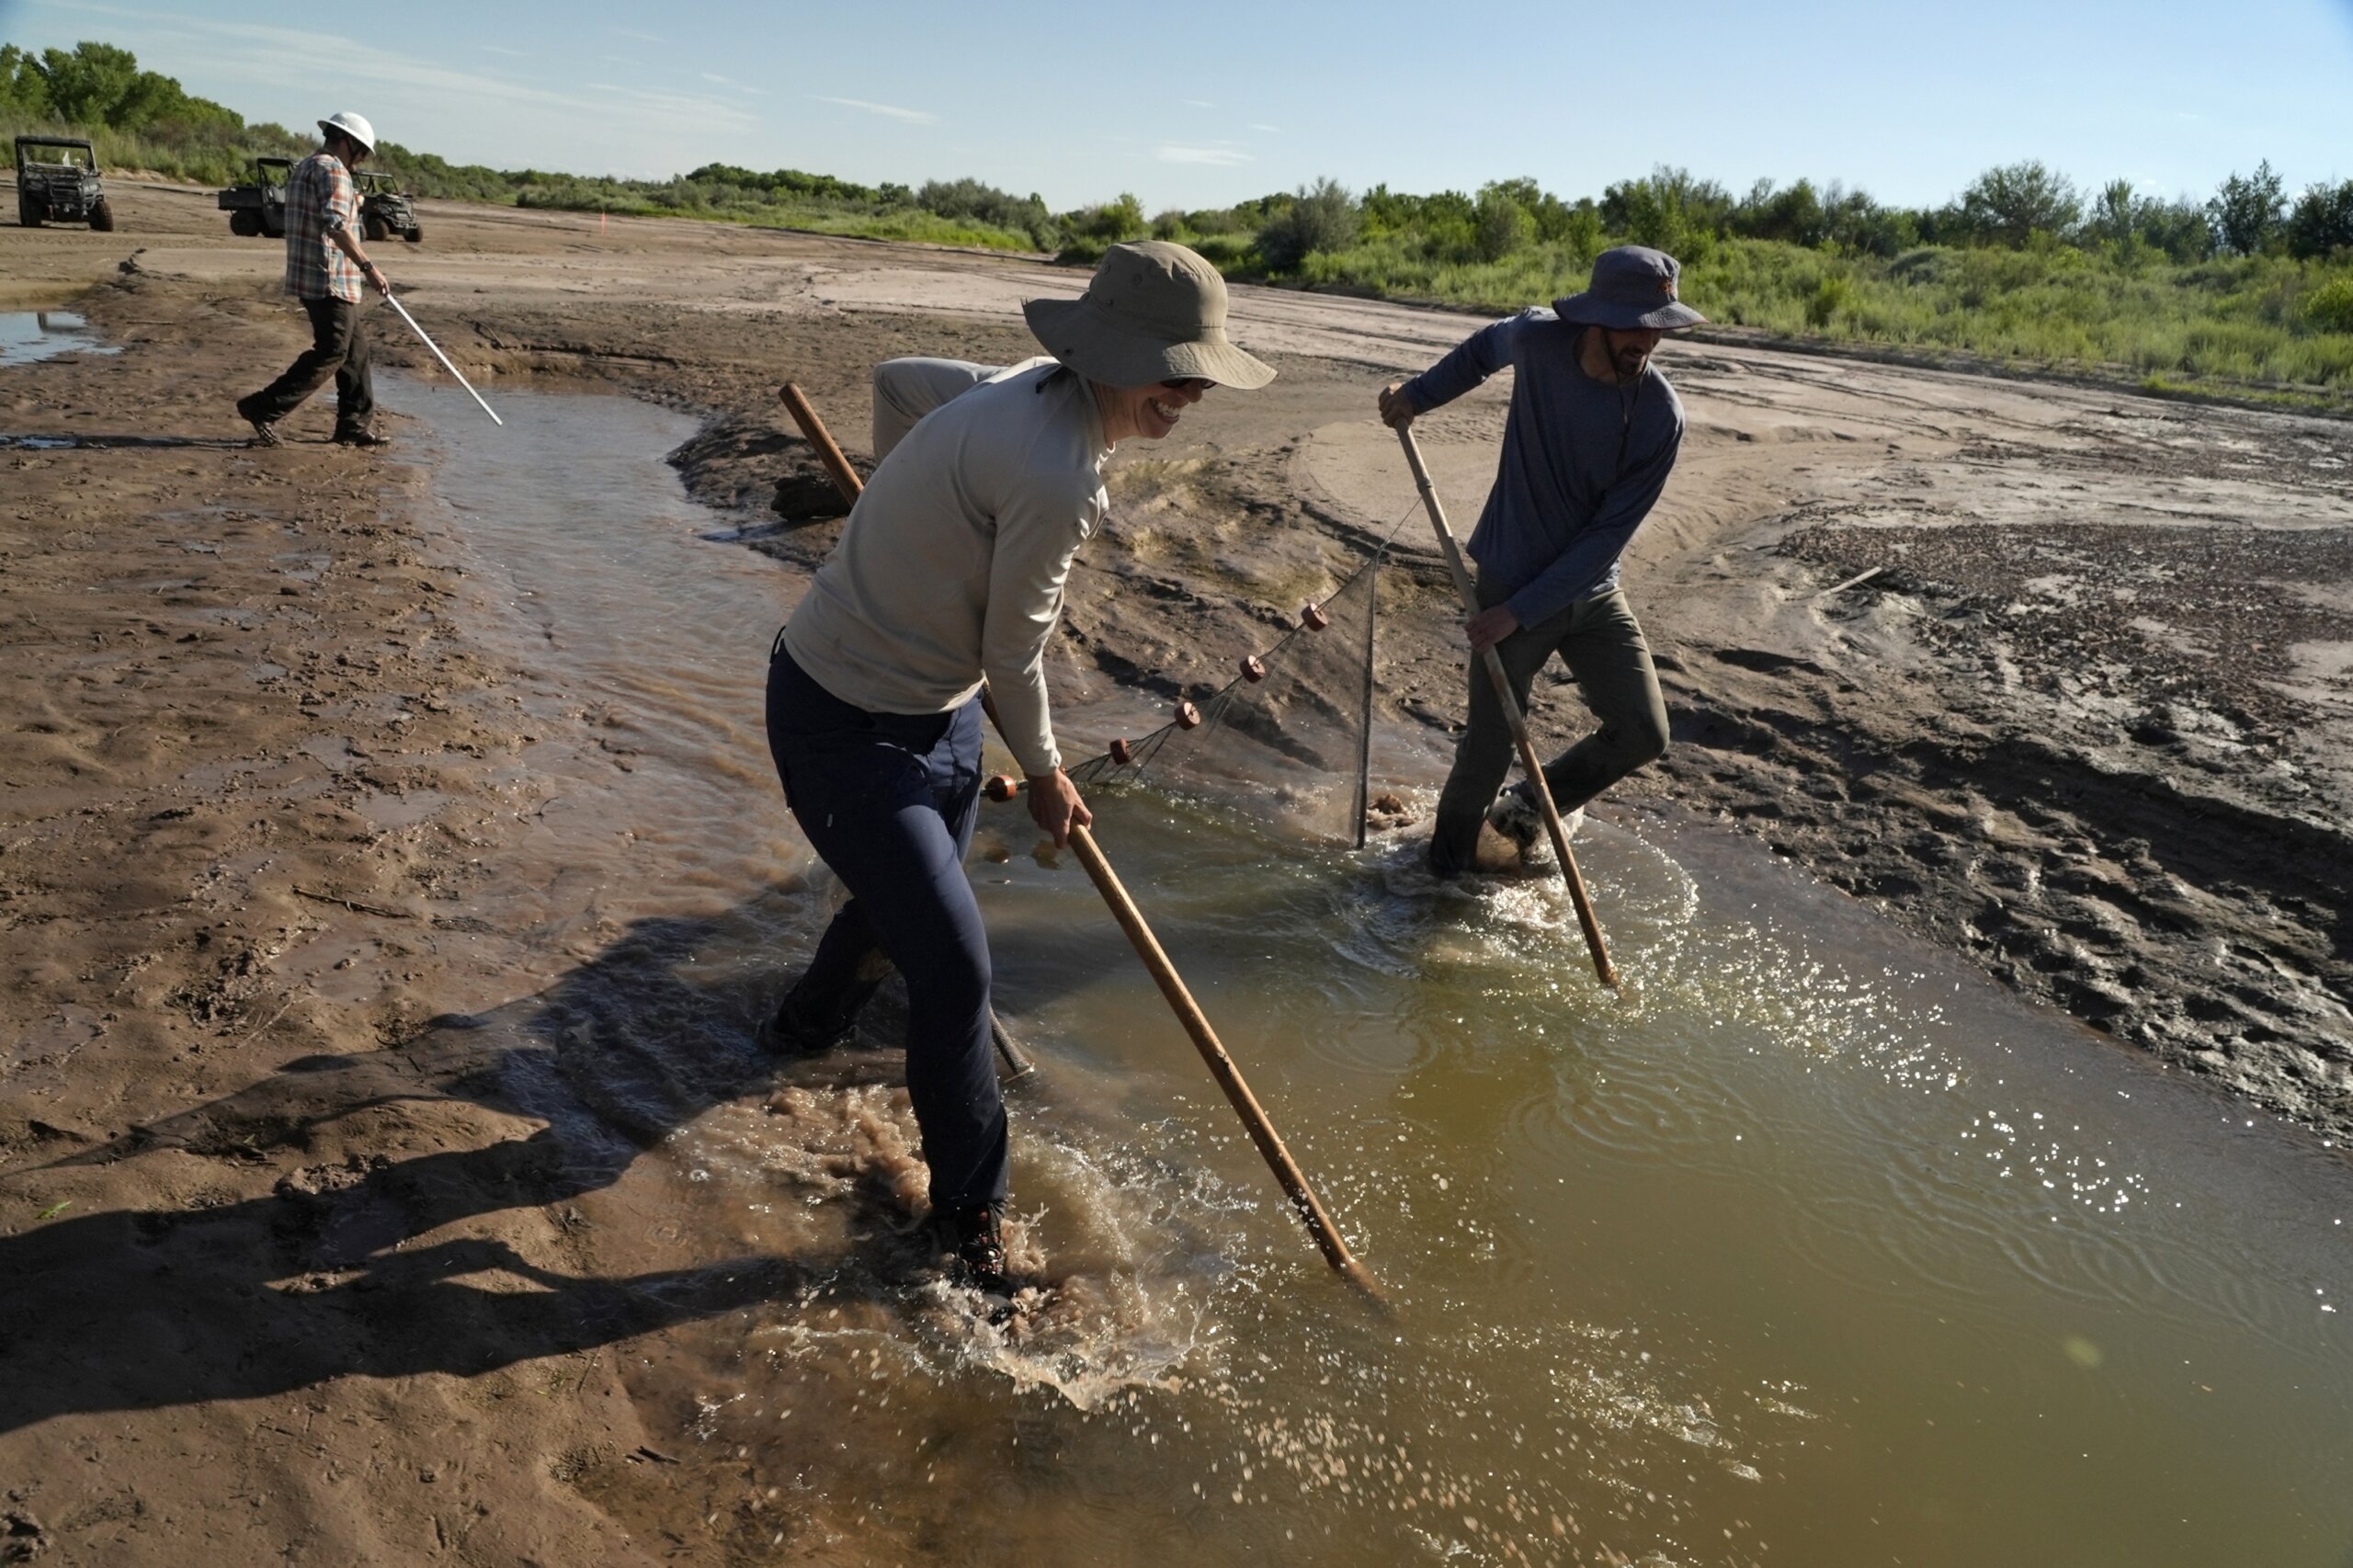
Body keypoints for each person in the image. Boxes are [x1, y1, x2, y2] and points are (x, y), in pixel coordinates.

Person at [764, 242, 1275, 1293]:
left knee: (903, 905)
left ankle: (797, 1032)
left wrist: (909, 511)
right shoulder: (1058, 473)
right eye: (1175, 372)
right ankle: (969, 1227)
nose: (1190, 394)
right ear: (1111, 356)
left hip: (937, 714)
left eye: (1198, 375)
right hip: (839, 715)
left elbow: (899, 382)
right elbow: (1014, 653)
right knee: (954, 968)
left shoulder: (1018, 385)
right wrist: (1045, 775)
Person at [1378, 245, 1704, 877]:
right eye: (1634, 325)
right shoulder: (1536, 341)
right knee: (1487, 748)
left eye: (1657, 328)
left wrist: (1517, 616)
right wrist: (1416, 397)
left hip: (1589, 593)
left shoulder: (1661, 417)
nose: (1647, 341)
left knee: (1644, 731)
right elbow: (1479, 354)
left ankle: (1529, 803)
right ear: (1596, 319)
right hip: (1510, 575)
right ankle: (1441, 875)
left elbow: (1605, 539)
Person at [237, 111, 392, 449]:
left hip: (315, 276)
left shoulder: (308, 166)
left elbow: (327, 211)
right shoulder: (334, 170)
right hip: (329, 278)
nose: (361, 160)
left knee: (356, 352)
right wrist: (369, 267)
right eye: (361, 152)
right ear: (348, 143)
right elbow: (335, 226)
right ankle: (262, 407)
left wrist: (354, 201)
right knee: (333, 351)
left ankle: (352, 424)